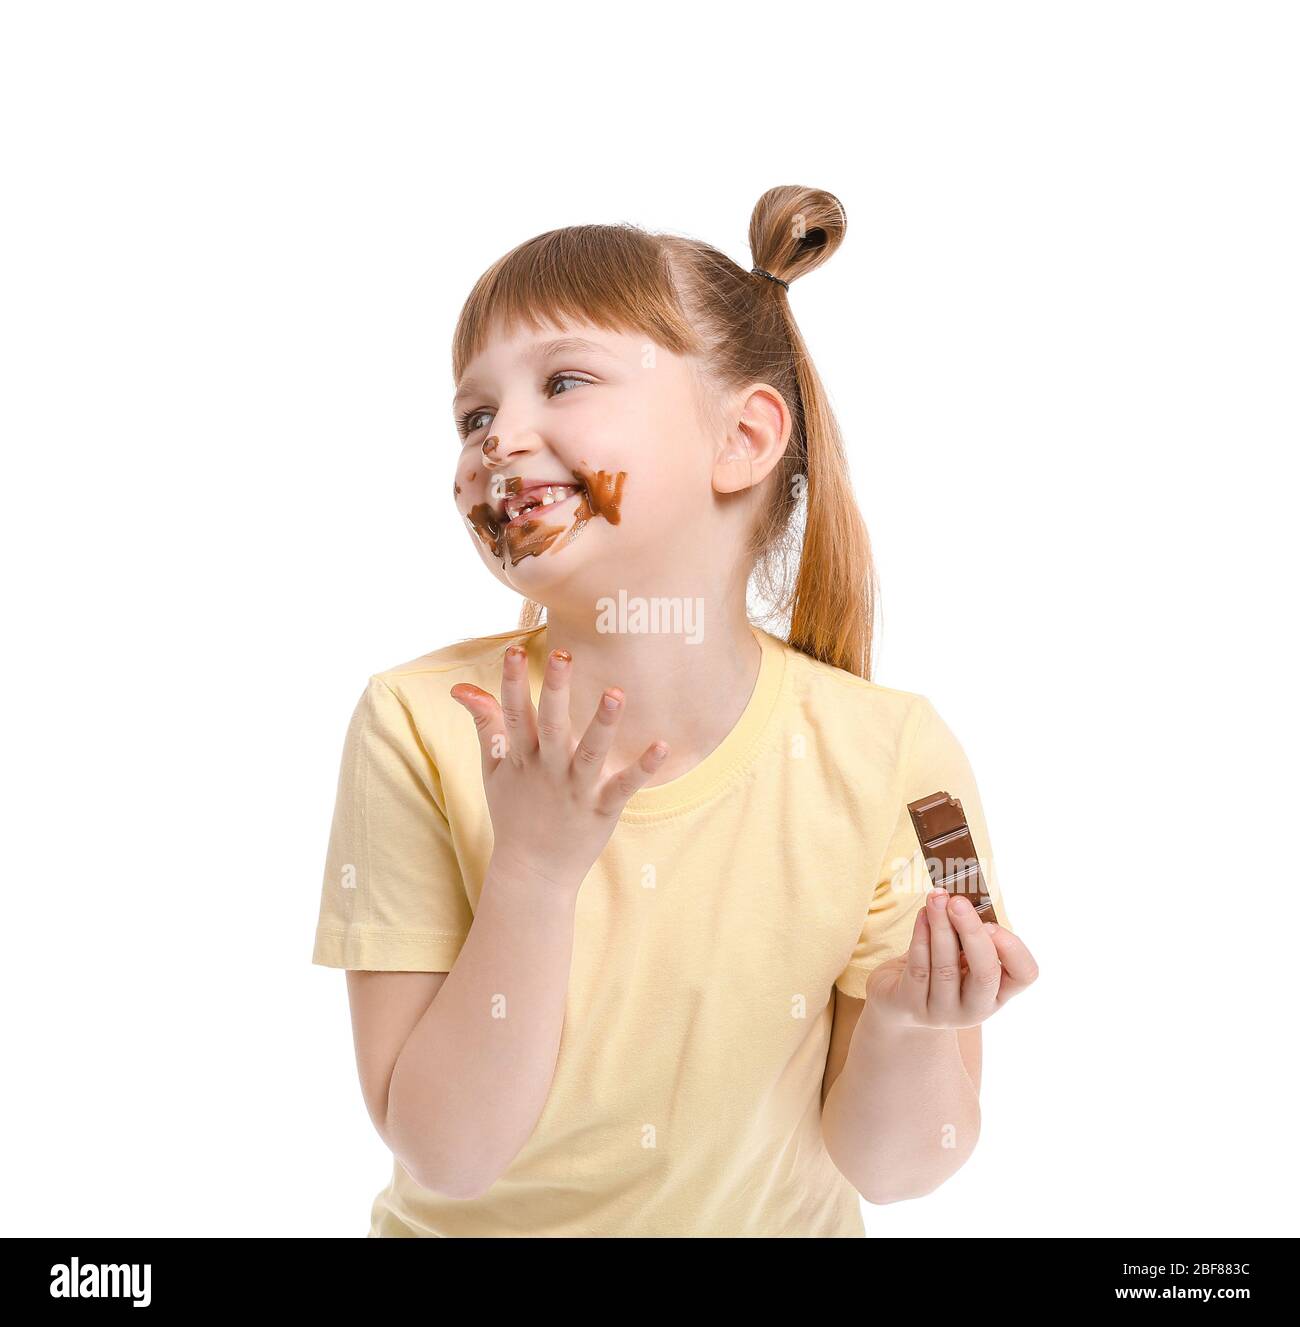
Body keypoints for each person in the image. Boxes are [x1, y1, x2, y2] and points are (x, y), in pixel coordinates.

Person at [312, 184, 1040, 1237]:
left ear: (742, 437)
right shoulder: (420, 722)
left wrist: (908, 1022)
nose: (496, 438)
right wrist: (532, 868)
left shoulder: (892, 753)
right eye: (473, 414)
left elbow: (898, 1170)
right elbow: (447, 1152)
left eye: (562, 381)